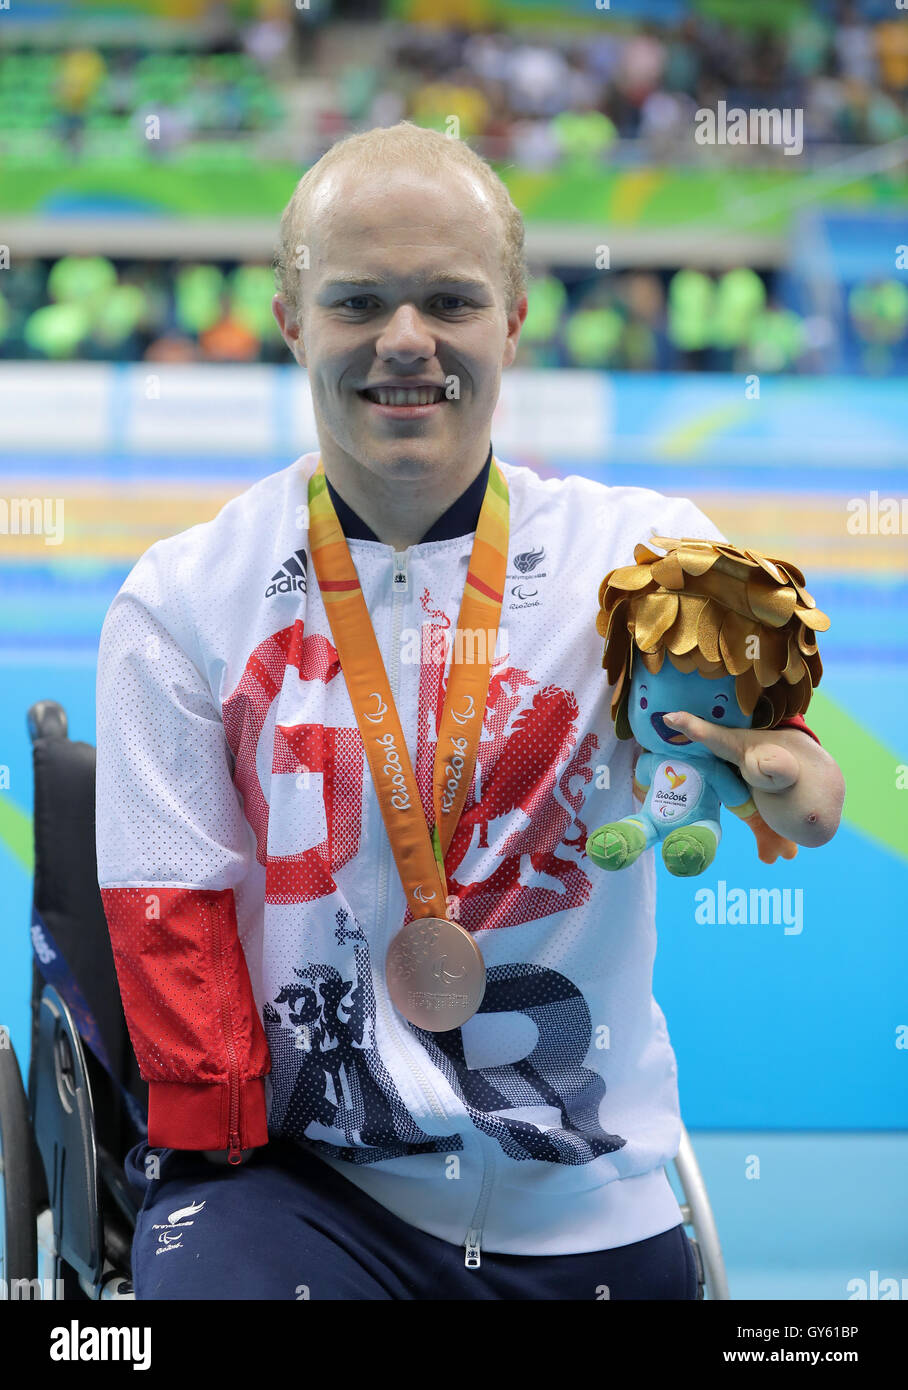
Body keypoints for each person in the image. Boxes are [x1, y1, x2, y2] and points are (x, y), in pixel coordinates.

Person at [95, 121, 845, 1301]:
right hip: (303, 1188)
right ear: (293, 321)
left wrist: (791, 784)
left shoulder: (648, 562)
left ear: (512, 319)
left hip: (585, 1198)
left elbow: (789, 779)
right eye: (358, 303)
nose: (405, 341)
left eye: (447, 299)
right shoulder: (184, 600)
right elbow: (168, 905)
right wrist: (215, 1146)